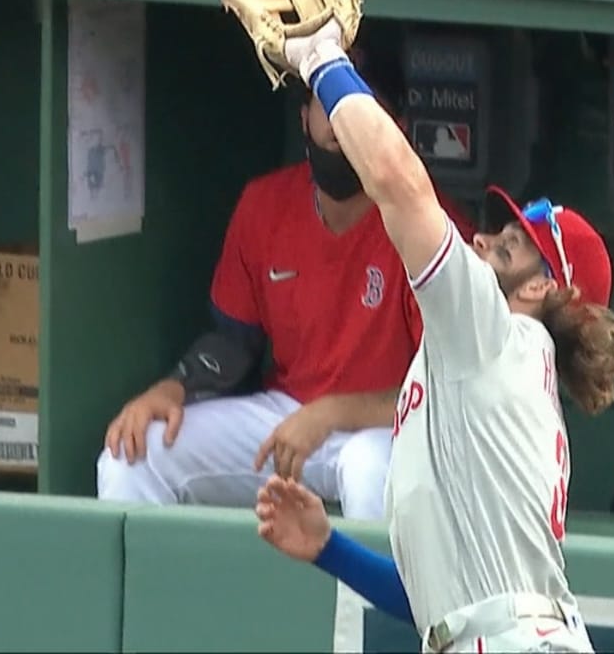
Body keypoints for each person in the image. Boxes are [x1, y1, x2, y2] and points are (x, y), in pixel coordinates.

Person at [252, 18, 614, 653]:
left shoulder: (492, 331)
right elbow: (442, 604)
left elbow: (398, 183)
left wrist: (321, 59)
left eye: (510, 248)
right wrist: (329, 548)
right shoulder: (488, 370)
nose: (481, 239)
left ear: (540, 290)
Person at [96, 40, 477, 521]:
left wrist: (332, 414)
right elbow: (234, 341)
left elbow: (450, 389)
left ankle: (369, 601)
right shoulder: (265, 204)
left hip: (393, 428)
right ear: (303, 118)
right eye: (328, 105)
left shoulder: (432, 228)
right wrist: (174, 387)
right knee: (134, 454)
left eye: (361, 109)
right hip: (288, 415)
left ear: (396, 128)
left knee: (365, 470)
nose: (342, 125)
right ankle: (152, 598)